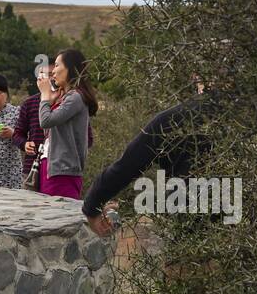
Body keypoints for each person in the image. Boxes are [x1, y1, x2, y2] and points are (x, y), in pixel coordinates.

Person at [82, 77, 222, 235]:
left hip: (191, 230)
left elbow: (128, 165)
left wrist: (92, 206)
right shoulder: (248, 113)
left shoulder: (175, 119)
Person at [36, 48, 98, 199]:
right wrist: (51, 102)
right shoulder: (66, 97)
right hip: (52, 166)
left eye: (57, 66)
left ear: (70, 68)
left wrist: (44, 95)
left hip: (64, 170)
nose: (53, 72)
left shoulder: (76, 97)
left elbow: (46, 121)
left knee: (57, 216)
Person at [16, 76, 94, 190]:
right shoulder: (30, 103)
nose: (49, 79)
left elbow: (88, 138)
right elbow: (18, 133)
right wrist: (24, 144)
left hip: (60, 168)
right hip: (33, 167)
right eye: (43, 75)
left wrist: (66, 152)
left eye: (52, 73)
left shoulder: (72, 101)